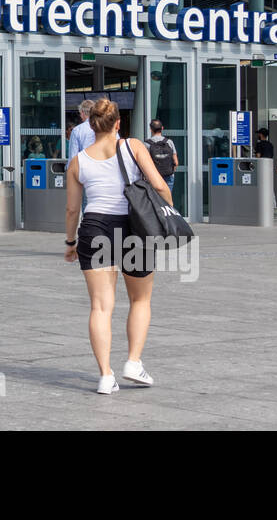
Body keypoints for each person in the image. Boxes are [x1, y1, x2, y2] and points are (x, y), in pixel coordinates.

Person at [64, 98, 170, 394]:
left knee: (100, 307)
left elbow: (73, 210)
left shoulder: (78, 161)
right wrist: (168, 216)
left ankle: (105, 376)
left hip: (95, 228)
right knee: (140, 300)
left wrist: (71, 242)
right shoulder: (134, 146)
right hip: (134, 228)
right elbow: (160, 186)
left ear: (91, 124)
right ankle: (133, 362)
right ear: (118, 123)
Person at [144, 119, 179, 192]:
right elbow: (176, 162)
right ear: (162, 128)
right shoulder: (169, 142)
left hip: (154, 177)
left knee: (155, 201)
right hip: (169, 176)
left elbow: (145, 163)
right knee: (167, 201)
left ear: (151, 129)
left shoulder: (147, 144)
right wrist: (169, 172)